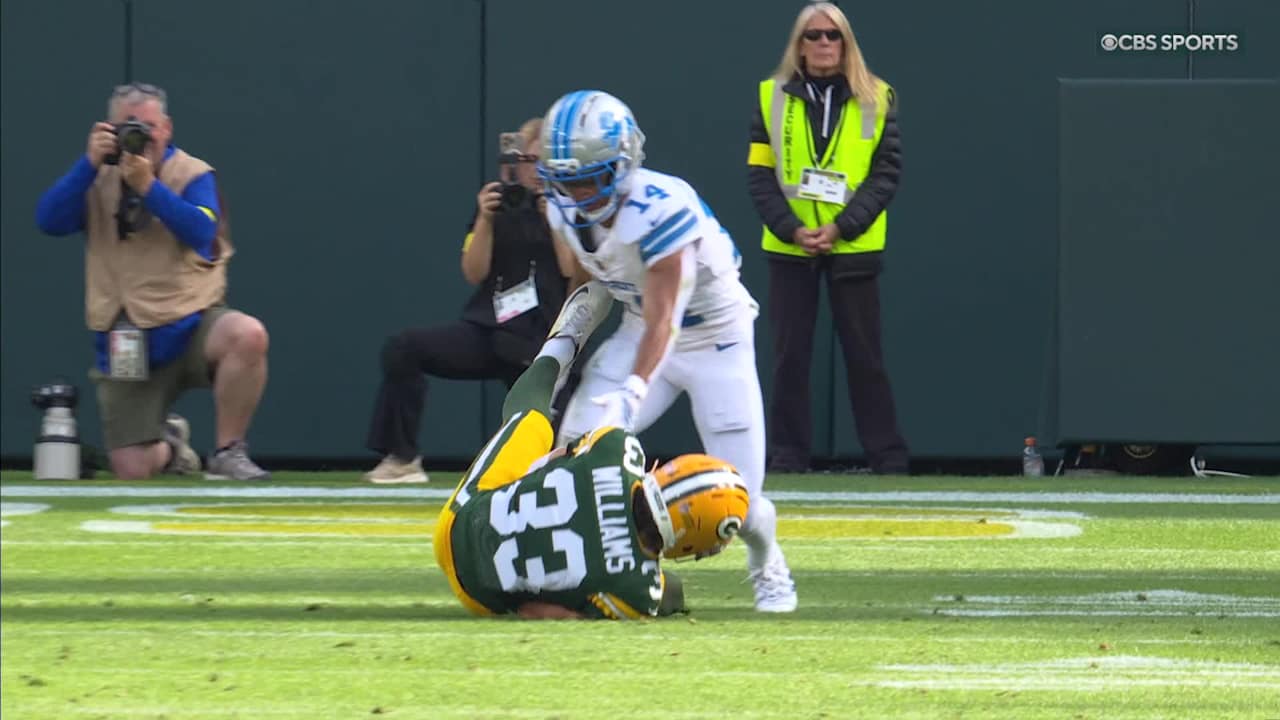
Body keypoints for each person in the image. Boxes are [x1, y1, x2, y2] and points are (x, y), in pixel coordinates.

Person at [534, 90, 798, 613]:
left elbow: (667, 318)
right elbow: (592, 286)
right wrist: (556, 357)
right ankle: (575, 572)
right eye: (566, 181)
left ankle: (768, 562)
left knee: (737, 505)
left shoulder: (663, 207)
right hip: (640, 327)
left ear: (625, 162)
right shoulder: (566, 212)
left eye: (589, 178)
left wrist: (632, 392)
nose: (578, 194)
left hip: (712, 338)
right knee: (574, 460)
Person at [434, 288, 751, 619]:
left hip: (458, 522)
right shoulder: (636, 592)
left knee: (530, 421)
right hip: (478, 595)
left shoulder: (618, 449)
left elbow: (556, 460)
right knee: (667, 593)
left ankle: (564, 341)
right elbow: (541, 611)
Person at [35, 82, 270, 481]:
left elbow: (200, 230)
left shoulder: (193, 173)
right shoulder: (94, 177)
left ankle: (229, 451)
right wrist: (87, 164)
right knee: (132, 470)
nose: (140, 135)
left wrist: (149, 187)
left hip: (191, 321)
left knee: (247, 334)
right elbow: (49, 221)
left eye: (148, 125)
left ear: (167, 128)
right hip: (126, 333)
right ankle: (172, 445)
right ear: (109, 128)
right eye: (128, 125)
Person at [364, 118, 578, 484]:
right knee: (403, 348)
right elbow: (473, 272)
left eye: (547, 162)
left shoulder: (574, 209)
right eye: (530, 160)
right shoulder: (500, 207)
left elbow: (571, 269)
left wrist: (553, 214)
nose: (538, 170)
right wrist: (484, 218)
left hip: (542, 339)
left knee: (551, 447)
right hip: (490, 328)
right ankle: (402, 458)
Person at [747, 2, 909, 475]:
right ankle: (787, 455)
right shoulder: (769, 96)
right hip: (789, 247)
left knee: (865, 357)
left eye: (832, 35)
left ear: (846, 43)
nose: (822, 44)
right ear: (799, 44)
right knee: (788, 358)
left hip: (854, 246)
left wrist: (841, 228)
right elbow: (760, 176)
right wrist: (792, 229)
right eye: (813, 35)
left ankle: (888, 457)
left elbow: (886, 175)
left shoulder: (878, 97)